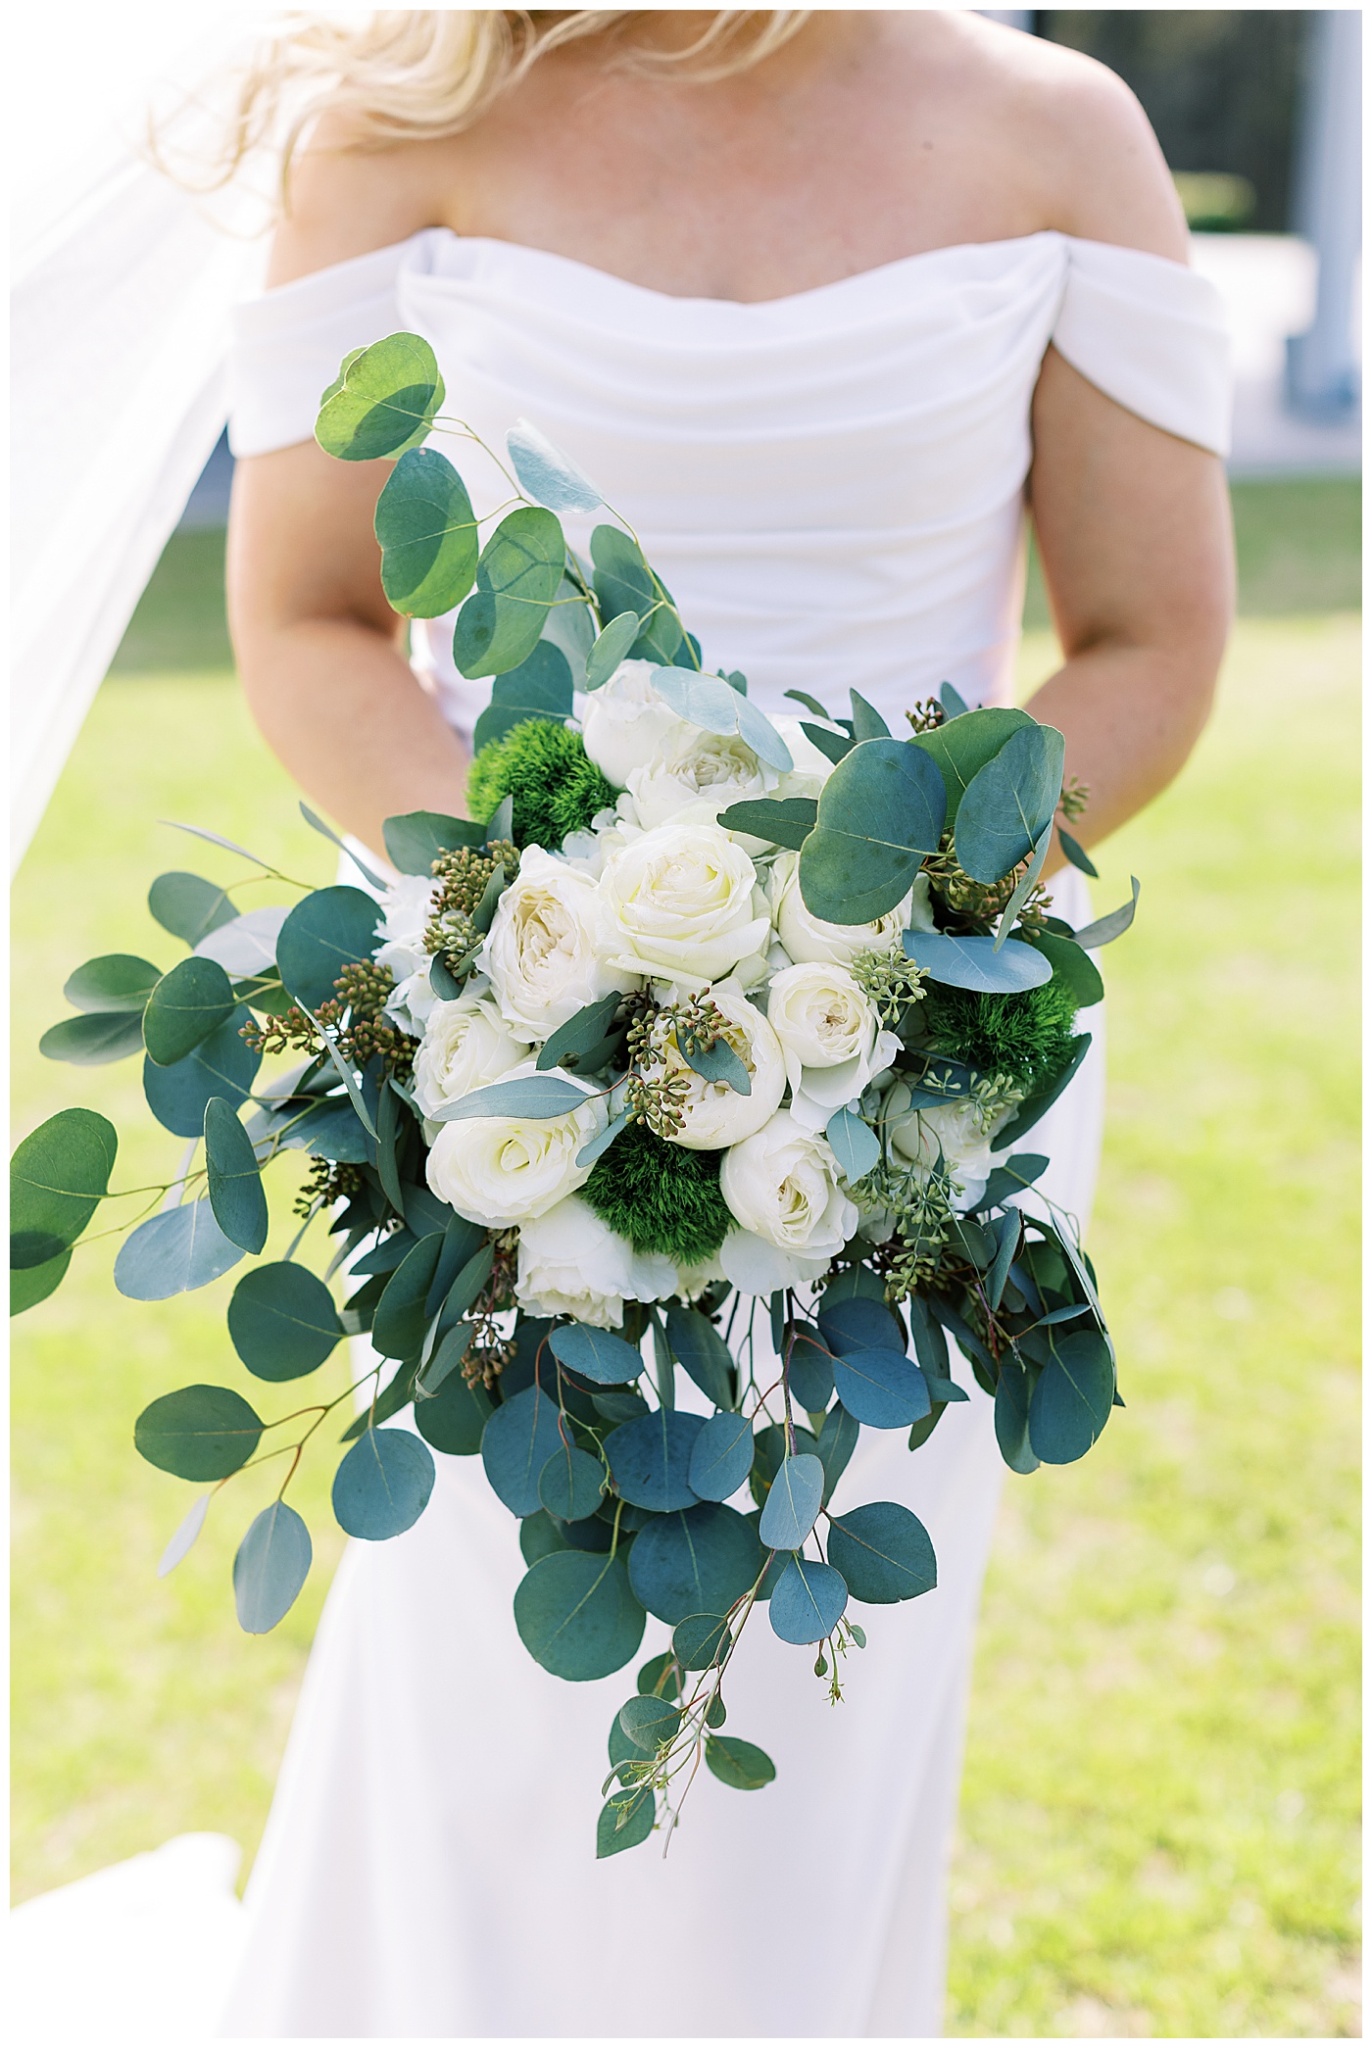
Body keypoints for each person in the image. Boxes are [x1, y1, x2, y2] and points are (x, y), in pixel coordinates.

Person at [218, 10, 1233, 2035]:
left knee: (813, 1703)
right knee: (487, 1677)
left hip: (912, 1073)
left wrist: (874, 935)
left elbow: (1149, 640)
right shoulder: (397, 127)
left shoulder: (1058, 138)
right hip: (508, 1052)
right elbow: (310, 616)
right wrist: (536, 932)